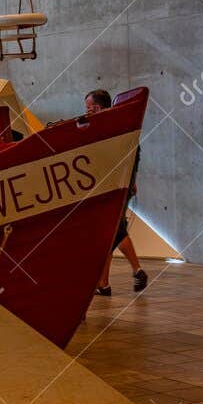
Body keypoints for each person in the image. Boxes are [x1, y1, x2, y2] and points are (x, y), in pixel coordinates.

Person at [86, 88, 148, 296]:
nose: (87, 112)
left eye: (89, 108)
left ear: (97, 107)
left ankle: (137, 270)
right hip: (122, 186)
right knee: (108, 236)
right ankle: (104, 284)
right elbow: (135, 156)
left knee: (114, 232)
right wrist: (133, 181)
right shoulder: (124, 126)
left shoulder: (107, 129)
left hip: (112, 188)